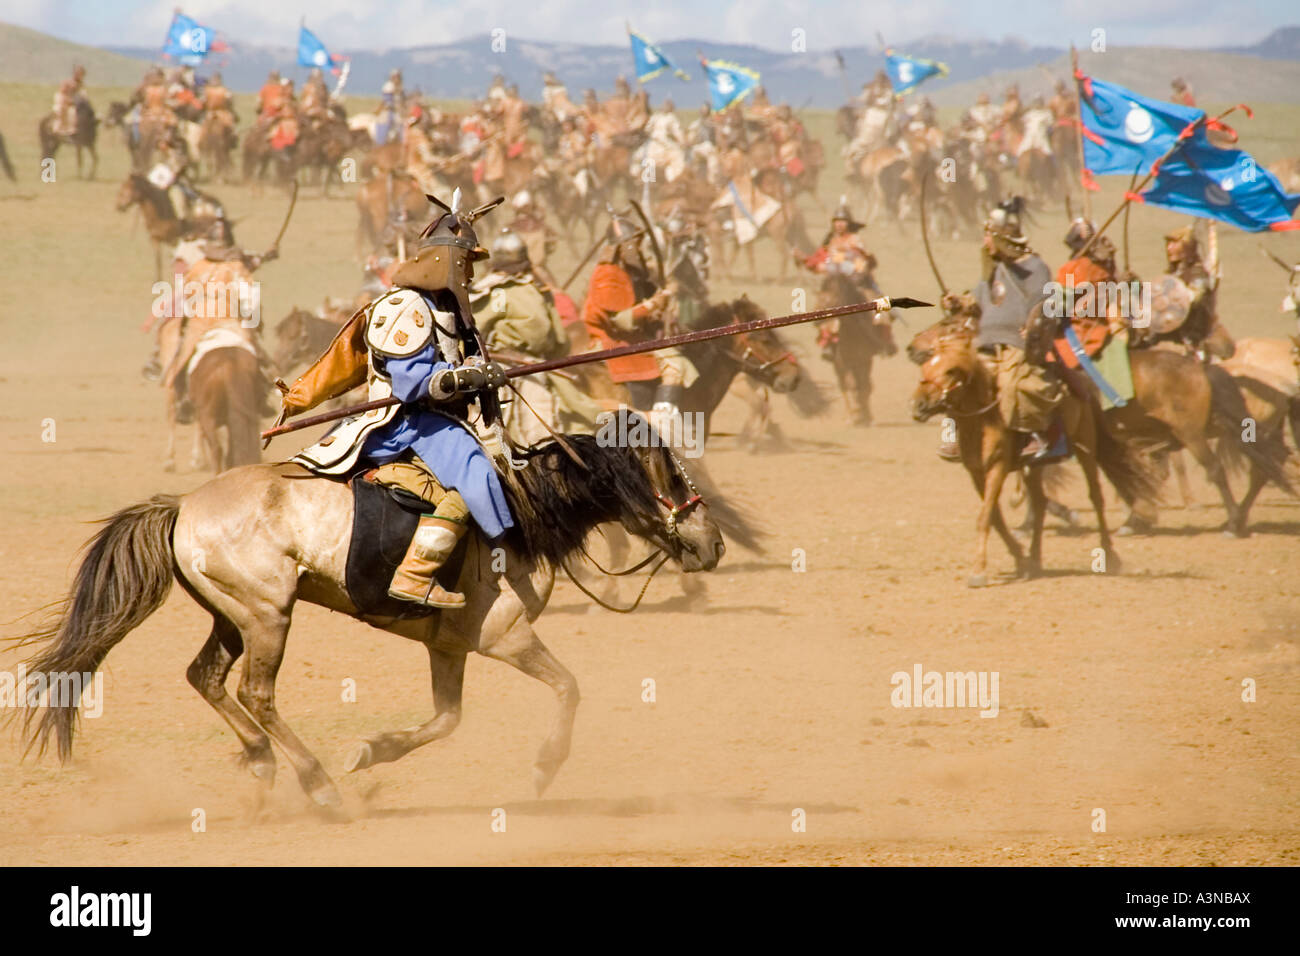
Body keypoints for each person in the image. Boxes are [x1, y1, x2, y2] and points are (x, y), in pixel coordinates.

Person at [278, 197, 512, 609]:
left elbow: (450, 361)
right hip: (404, 420)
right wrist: (466, 377)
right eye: (468, 263)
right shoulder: (407, 307)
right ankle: (417, 574)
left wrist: (476, 368)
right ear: (449, 261)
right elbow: (410, 384)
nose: (473, 273)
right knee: (475, 473)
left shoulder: (443, 306)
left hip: (431, 415)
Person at [471, 229, 603, 445]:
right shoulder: (533, 289)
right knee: (544, 431)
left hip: (487, 368)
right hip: (521, 370)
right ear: (524, 260)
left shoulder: (479, 289)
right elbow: (552, 340)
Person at [972, 199, 1063, 462]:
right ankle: (957, 434)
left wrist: (1034, 327)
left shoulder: (1034, 267)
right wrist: (960, 302)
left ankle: (1031, 434)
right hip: (985, 343)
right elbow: (979, 301)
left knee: (1010, 385)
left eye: (988, 236)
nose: (984, 242)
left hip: (1016, 344)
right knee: (959, 377)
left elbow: (1044, 305)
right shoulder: (992, 270)